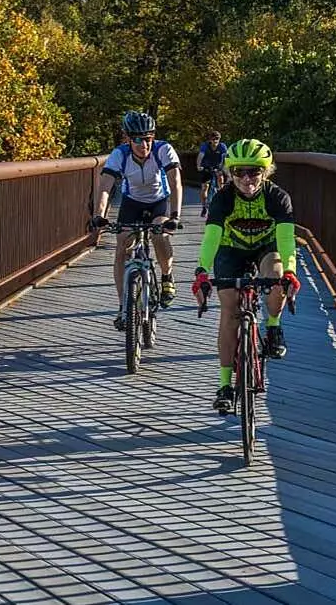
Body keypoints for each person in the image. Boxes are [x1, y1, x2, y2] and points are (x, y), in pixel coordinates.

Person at [189, 138, 302, 412]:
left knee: (276, 276)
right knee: (229, 312)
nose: (247, 179)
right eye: (239, 172)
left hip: (266, 248)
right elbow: (211, 238)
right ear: (230, 173)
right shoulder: (223, 198)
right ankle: (225, 384)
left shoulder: (277, 198)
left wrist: (290, 273)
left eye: (254, 171)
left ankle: (273, 326)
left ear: (266, 172)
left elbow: (287, 240)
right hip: (231, 249)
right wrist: (201, 272)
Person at [88, 110, 183, 324]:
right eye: (138, 140)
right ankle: (124, 307)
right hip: (132, 202)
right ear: (128, 139)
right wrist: (99, 215)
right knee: (122, 244)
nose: (144, 145)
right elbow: (105, 186)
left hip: (159, 201)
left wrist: (175, 215)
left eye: (148, 139)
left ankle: (167, 276)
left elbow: (175, 181)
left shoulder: (163, 150)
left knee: (160, 235)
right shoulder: (119, 154)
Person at [197, 130, 229, 218]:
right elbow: (200, 156)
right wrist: (199, 166)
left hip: (217, 167)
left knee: (220, 180)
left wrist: (224, 168)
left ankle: (221, 200)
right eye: (213, 139)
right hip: (206, 168)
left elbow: (225, 157)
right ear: (210, 139)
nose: (215, 141)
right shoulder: (205, 146)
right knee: (205, 187)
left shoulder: (222, 146)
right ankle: (204, 207)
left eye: (217, 139)